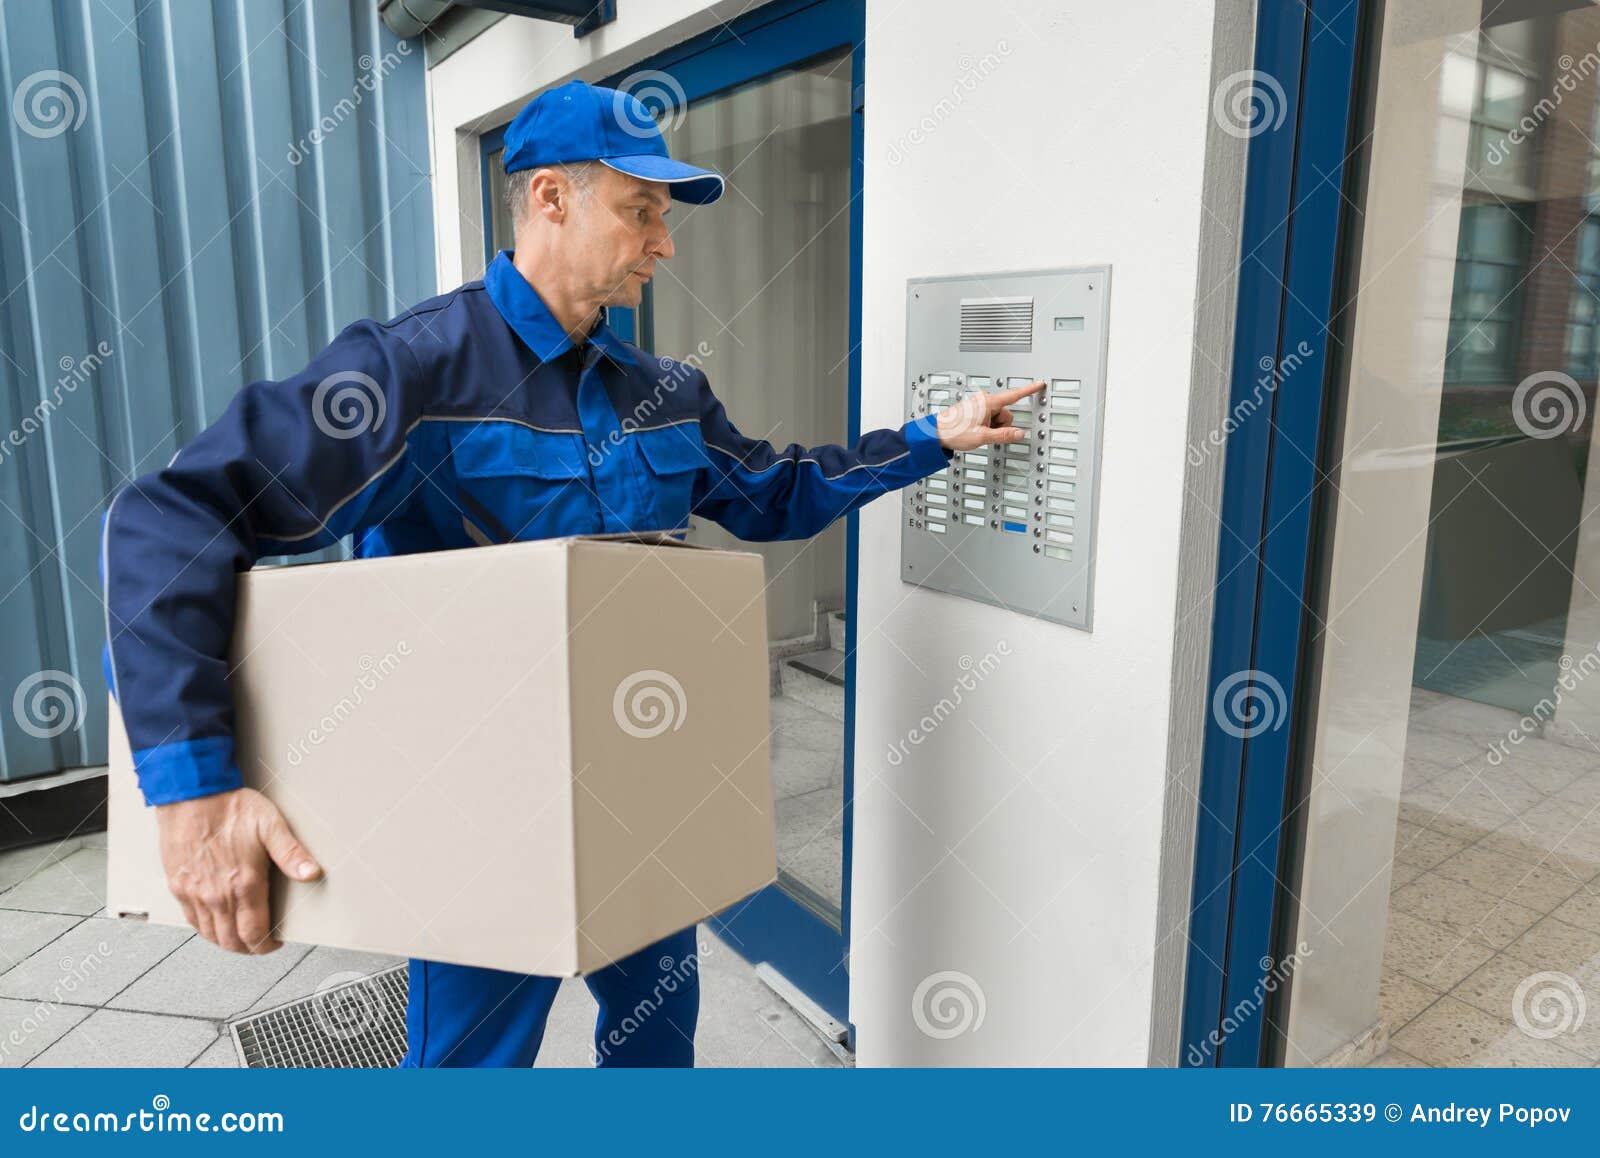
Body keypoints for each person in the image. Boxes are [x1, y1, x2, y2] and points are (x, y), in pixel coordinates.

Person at [100, 78, 1041, 1067]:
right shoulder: (412, 371)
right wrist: (193, 788)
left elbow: (774, 490)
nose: (664, 244)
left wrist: (932, 440)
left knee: (656, 1050)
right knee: (471, 1074)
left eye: (664, 219)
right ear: (551, 198)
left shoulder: (666, 393)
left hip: (641, 791)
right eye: (642, 212)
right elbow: (170, 521)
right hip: (479, 812)